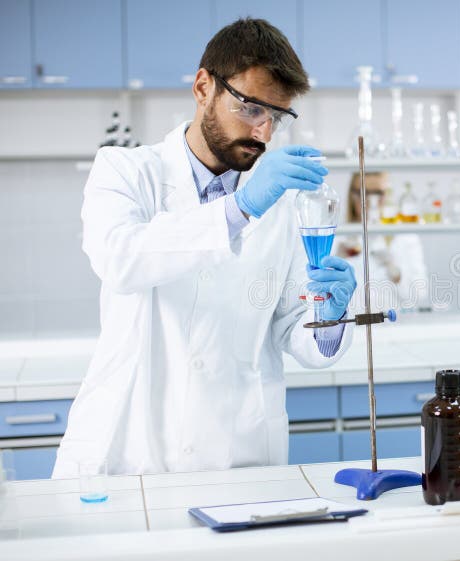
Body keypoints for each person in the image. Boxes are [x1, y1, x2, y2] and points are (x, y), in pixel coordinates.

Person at [52, 19, 356, 477]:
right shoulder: (125, 171)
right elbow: (121, 260)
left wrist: (330, 313)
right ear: (202, 87)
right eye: (252, 108)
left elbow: (293, 327)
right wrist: (241, 208)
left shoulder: (285, 203)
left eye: (277, 117)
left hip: (237, 454)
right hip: (132, 453)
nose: (264, 134)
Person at [335, 172, 428, 312]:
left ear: (388, 194)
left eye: (378, 193)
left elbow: (420, 294)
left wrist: (396, 273)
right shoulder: (339, 236)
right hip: (353, 327)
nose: (371, 201)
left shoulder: (405, 235)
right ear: (352, 195)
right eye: (363, 193)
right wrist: (334, 265)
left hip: (394, 327)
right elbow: (318, 296)